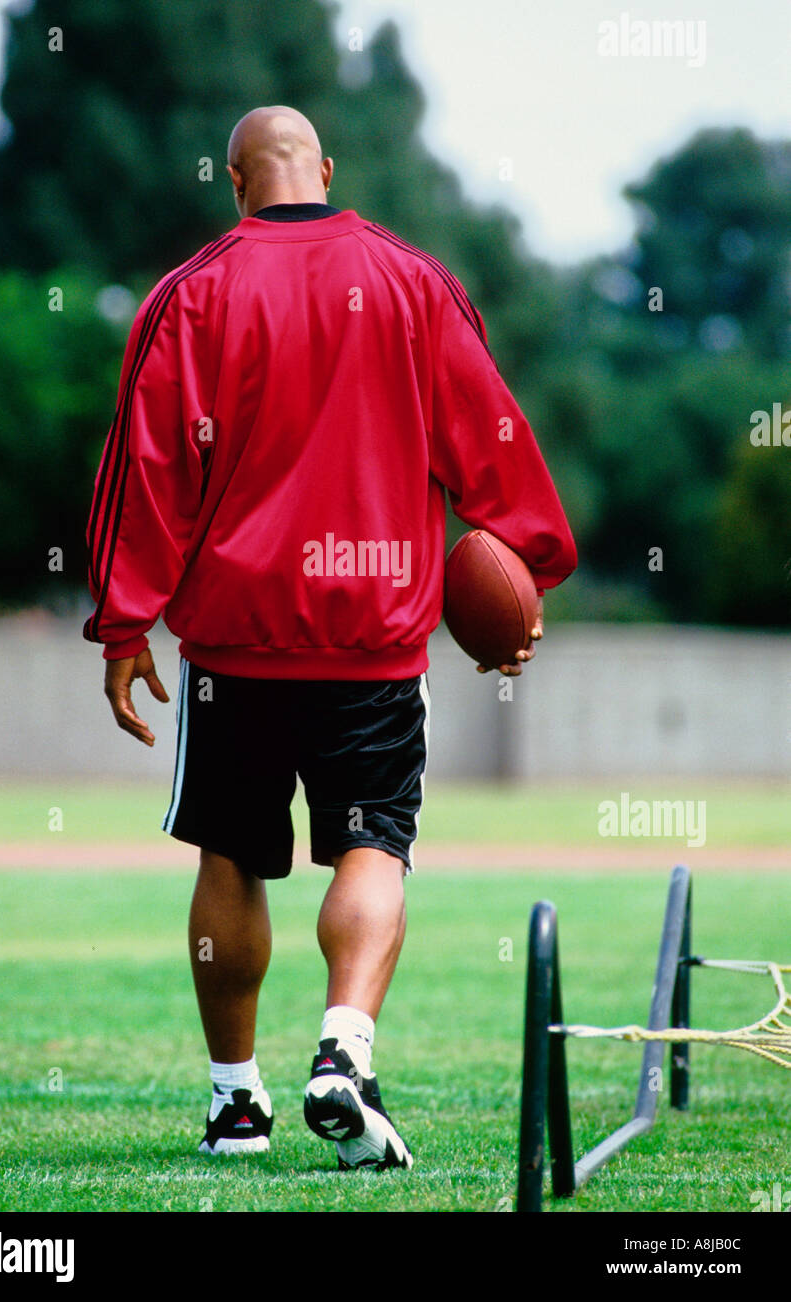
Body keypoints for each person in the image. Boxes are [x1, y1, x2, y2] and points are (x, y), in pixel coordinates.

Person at [84, 105, 576, 1171]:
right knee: (372, 844)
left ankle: (233, 1106)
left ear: (234, 181)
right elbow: (491, 436)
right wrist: (526, 575)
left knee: (230, 856)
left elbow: (148, 473)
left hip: (233, 647)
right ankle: (343, 1051)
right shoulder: (413, 284)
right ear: (327, 170)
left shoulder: (188, 295)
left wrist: (124, 623)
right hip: (371, 641)